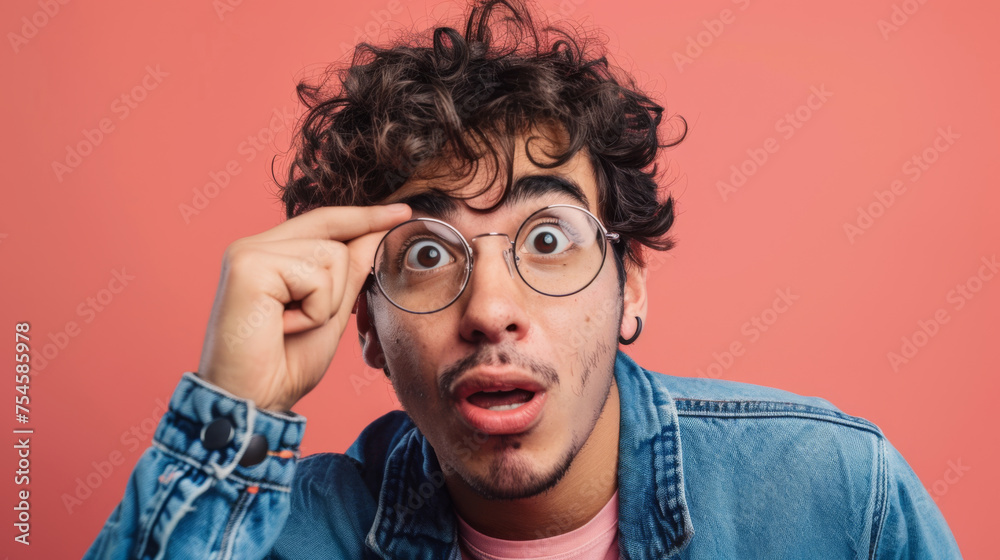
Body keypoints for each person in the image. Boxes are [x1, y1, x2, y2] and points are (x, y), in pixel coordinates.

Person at [84, 1, 961, 558]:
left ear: (632, 284)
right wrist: (228, 419)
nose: (492, 311)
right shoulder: (276, 536)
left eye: (548, 239)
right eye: (427, 255)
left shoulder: (836, 498)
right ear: (364, 326)